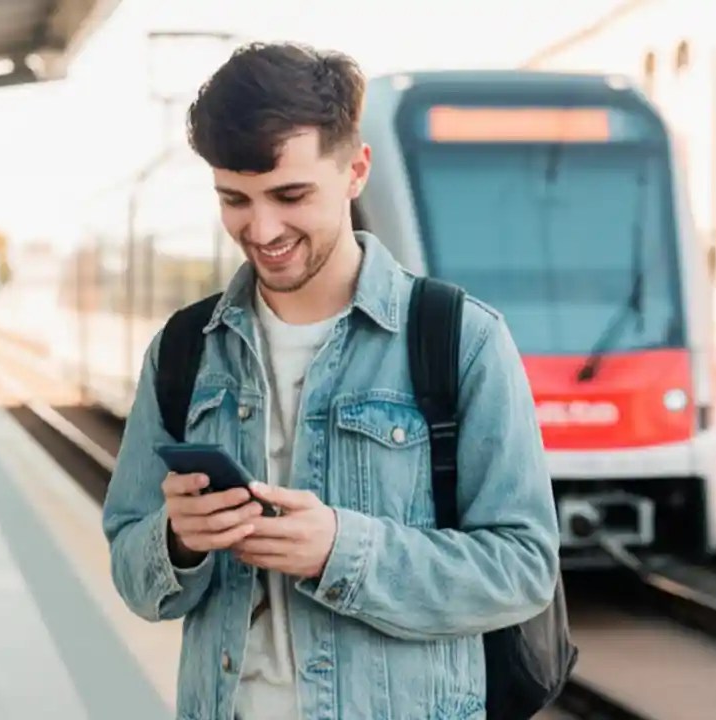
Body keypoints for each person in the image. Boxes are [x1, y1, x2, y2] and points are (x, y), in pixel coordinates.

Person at [102, 41, 560, 720]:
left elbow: (523, 569)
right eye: (235, 199)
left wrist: (343, 552)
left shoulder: (461, 339)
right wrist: (177, 539)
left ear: (355, 171)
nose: (261, 229)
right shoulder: (182, 351)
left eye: (290, 195)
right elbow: (134, 576)